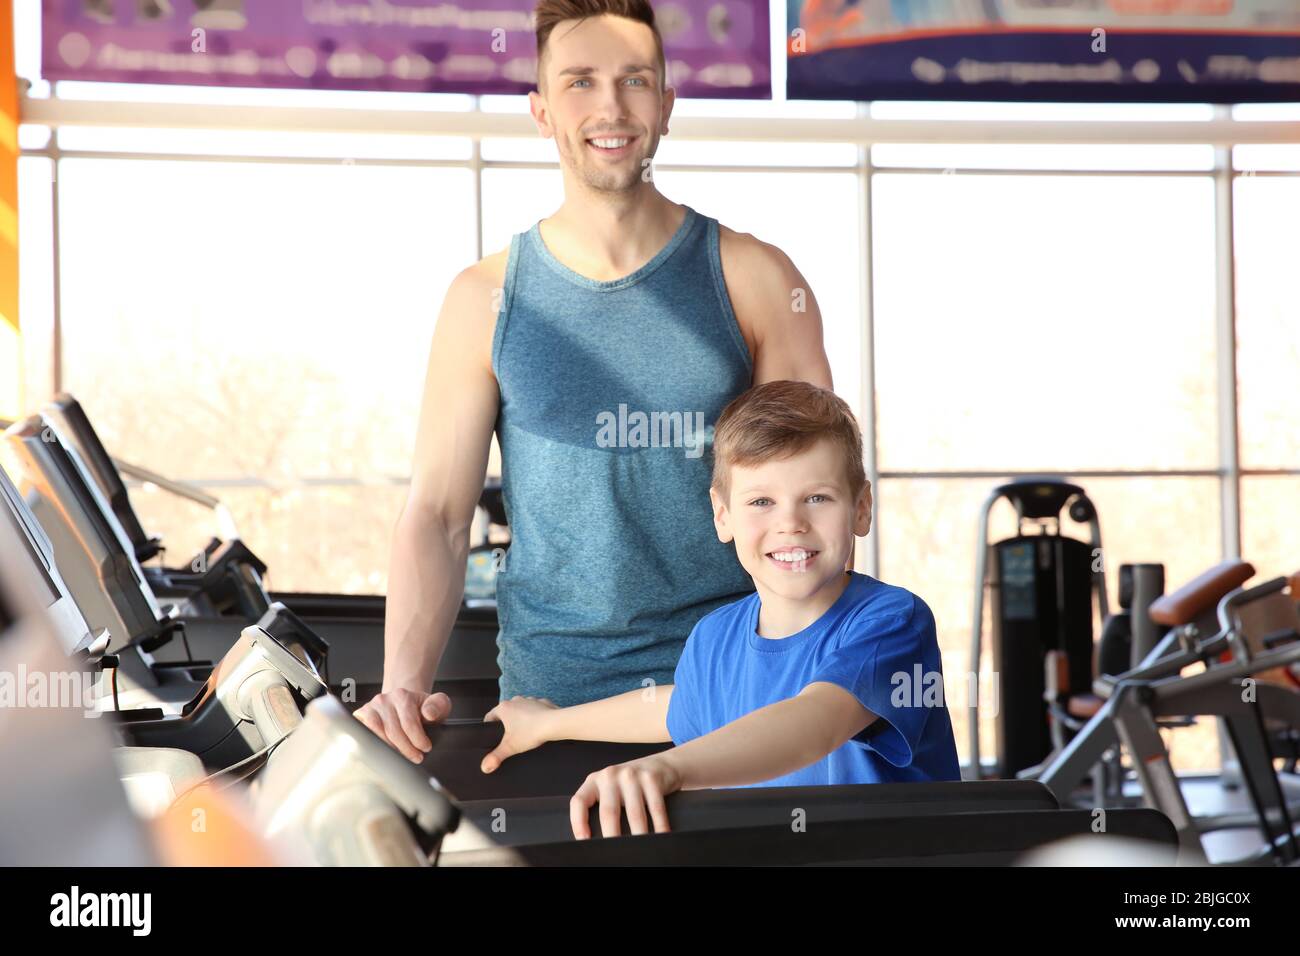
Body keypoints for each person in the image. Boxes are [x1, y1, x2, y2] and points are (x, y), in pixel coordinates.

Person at [355, 0, 835, 762]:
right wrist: (403, 687)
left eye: (635, 80)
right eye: (580, 82)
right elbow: (440, 516)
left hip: (722, 700)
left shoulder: (757, 279)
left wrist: (815, 691)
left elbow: (819, 504)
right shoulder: (483, 299)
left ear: (667, 104)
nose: (609, 107)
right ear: (542, 111)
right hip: (549, 713)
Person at [481, 380, 961, 838]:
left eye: (817, 498)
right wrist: (550, 724)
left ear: (861, 509)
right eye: (761, 501)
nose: (790, 523)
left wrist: (668, 765)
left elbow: (815, 723)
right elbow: (680, 705)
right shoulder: (714, 637)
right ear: (722, 515)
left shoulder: (893, 622)